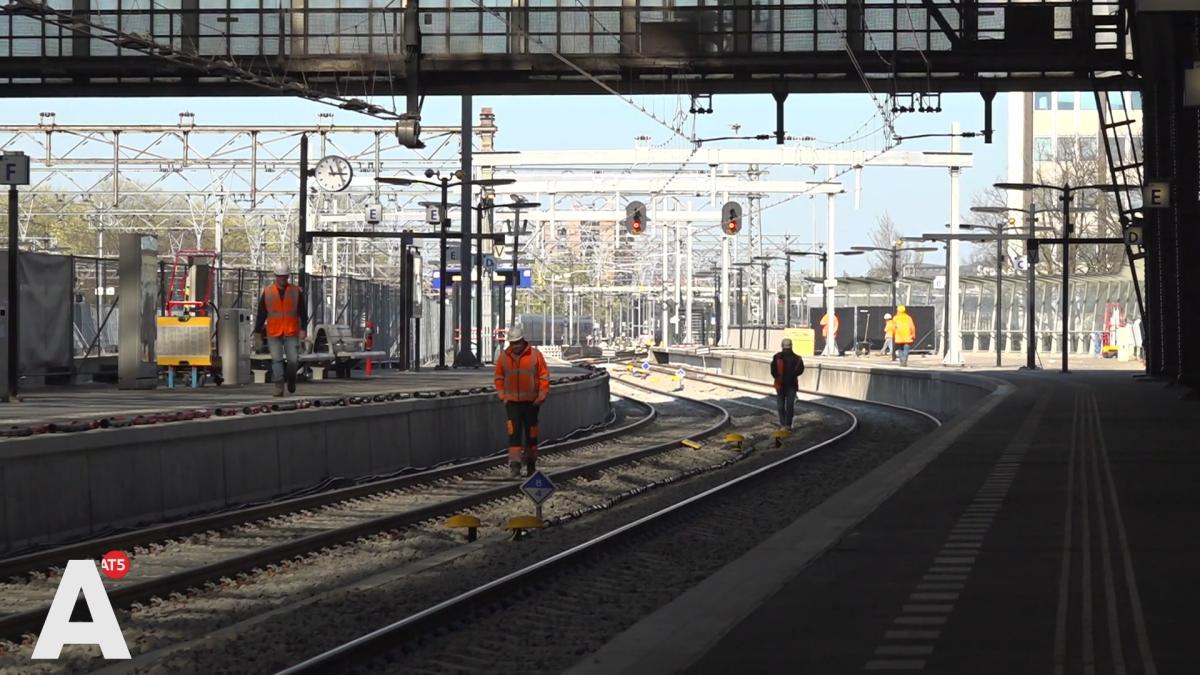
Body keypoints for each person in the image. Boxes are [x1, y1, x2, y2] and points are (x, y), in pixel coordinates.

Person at [494, 325, 550, 478]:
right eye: (512, 343)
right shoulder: (504, 357)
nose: (515, 346)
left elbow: (544, 377)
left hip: (532, 403)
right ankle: (515, 466)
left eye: (517, 343)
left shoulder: (535, 355)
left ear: (523, 340)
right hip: (512, 404)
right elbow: (499, 378)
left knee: (531, 435)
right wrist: (503, 397)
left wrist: (541, 398)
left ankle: (531, 465)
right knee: (514, 435)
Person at [253, 262, 308, 397]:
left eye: (285, 277)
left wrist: (303, 328)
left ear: (288, 276)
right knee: (276, 360)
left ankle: (291, 378)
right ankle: (279, 386)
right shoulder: (268, 292)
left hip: (291, 331)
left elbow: (302, 312)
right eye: (280, 277)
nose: (283, 279)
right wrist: (258, 332)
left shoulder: (296, 291)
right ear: (275, 276)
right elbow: (261, 313)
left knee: (293, 360)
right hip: (274, 332)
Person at [769, 338, 805, 430]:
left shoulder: (796, 358)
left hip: (790, 386)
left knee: (784, 406)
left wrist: (777, 376)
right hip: (783, 385)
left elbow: (773, 370)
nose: (786, 350)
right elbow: (800, 370)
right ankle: (785, 424)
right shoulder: (778, 357)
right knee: (786, 406)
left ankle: (786, 425)